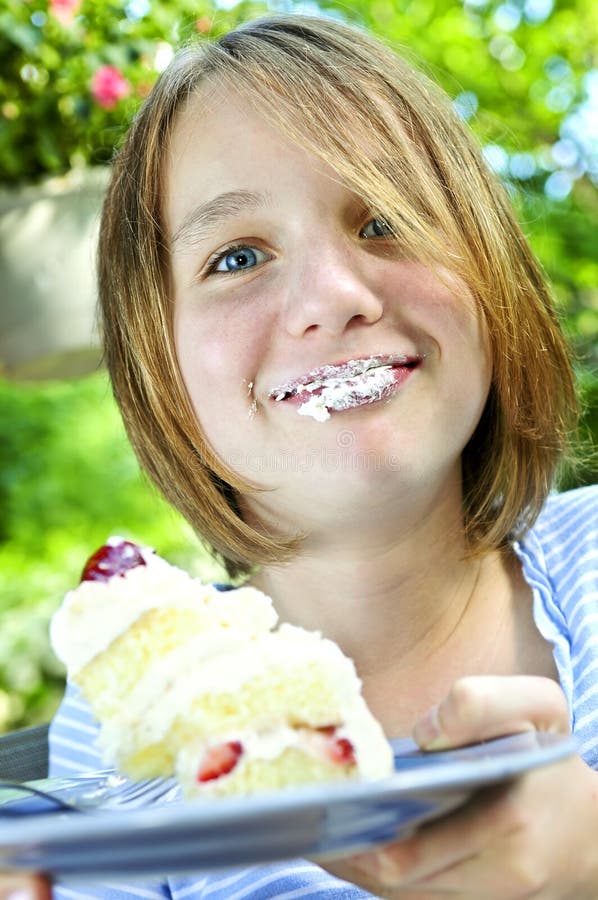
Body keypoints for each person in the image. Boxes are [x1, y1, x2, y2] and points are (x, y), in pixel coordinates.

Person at [6, 13, 598, 899]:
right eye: (238, 256)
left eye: (386, 218)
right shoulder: (128, 722)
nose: (333, 295)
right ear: (158, 367)